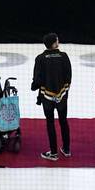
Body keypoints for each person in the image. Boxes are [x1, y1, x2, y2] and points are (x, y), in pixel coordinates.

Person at [32, 33, 72, 161]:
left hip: (47, 97)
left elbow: (37, 79)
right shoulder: (64, 56)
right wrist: (64, 90)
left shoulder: (40, 58)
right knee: (63, 121)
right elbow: (68, 76)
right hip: (62, 96)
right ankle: (66, 149)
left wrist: (34, 86)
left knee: (50, 123)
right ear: (55, 43)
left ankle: (53, 153)